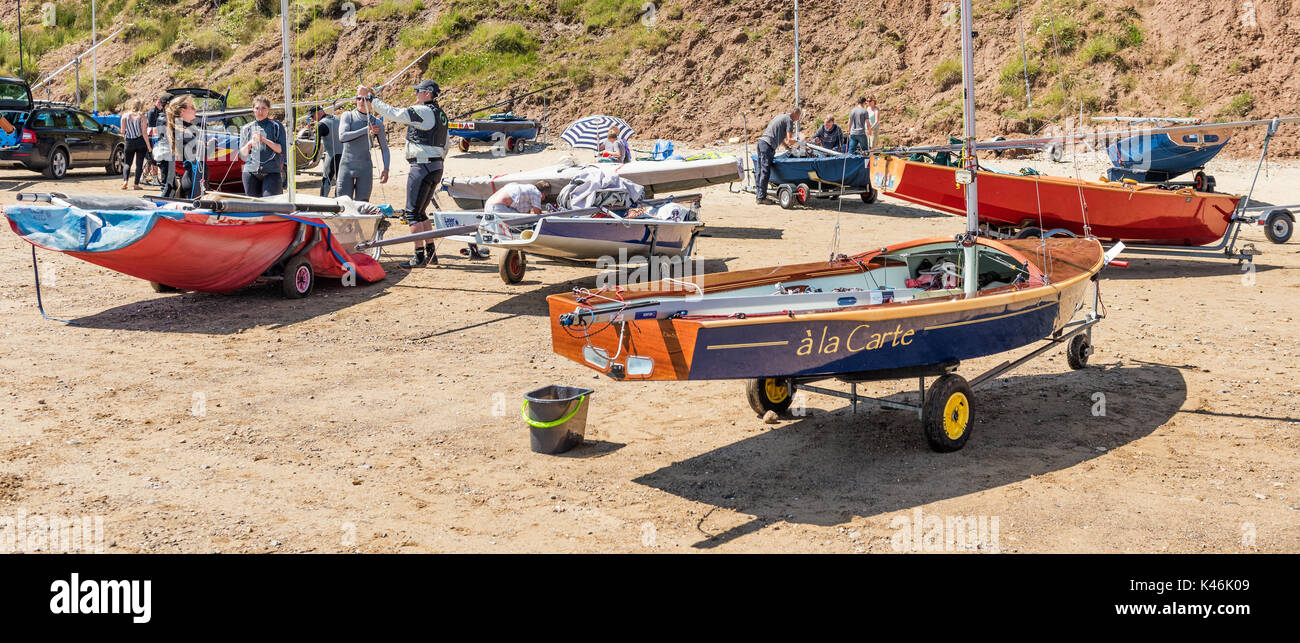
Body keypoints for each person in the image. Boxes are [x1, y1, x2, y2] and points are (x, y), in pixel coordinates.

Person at [357, 79, 450, 268]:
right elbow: (446, 144)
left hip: (422, 167)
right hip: (436, 166)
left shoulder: (423, 111)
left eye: (418, 91)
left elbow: (395, 114)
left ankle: (419, 257)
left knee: (412, 214)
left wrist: (372, 99)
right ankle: (430, 253)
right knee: (421, 212)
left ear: (427, 93)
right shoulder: (441, 115)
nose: (416, 94)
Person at [335, 94, 390, 202]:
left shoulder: (377, 123)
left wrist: (386, 169)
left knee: (362, 204)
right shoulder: (348, 116)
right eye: (358, 98)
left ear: (372, 102)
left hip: (365, 168)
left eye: (365, 99)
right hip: (346, 167)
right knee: (343, 203)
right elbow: (342, 136)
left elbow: (385, 148)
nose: (361, 101)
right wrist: (365, 130)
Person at [238, 96, 288, 197]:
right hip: (250, 172)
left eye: (263, 108)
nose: (260, 111)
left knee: (270, 204)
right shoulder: (246, 128)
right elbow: (242, 154)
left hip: (271, 172)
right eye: (257, 108)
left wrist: (263, 140)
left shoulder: (276, 126)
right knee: (252, 206)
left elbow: (281, 149)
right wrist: (250, 143)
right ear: (253, 109)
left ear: (268, 109)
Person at [161, 95, 209, 199]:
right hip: (194, 181)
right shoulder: (183, 132)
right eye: (192, 107)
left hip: (195, 179)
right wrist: (209, 146)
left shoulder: (185, 129)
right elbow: (204, 152)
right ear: (182, 111)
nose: (195, 109)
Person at [754, 107, 800, 205]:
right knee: (765, 171)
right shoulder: (789, 120)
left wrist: (786, 147)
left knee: (760, 170)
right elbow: (789, 139)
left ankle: (759, 195)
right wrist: (800, 143)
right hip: (768, 146)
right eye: (798, 117)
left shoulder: (781, 117)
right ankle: (761, 198)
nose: (798, 119)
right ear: (794, 113)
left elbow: (780, 137)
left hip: (761, 142)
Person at [119, 99, 151, 190]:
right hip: (140, 141)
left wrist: (127, 136)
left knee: (127, 163)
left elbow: (122, 131)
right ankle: (136, 184)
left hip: (129, 141)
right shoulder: (142, 117)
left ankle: (125, 181)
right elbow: (144, 133)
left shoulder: (124, 116)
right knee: (139, 164)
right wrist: (149, 146)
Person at [310, 106, 341, 197]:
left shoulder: (320, 124)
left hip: (332, 155)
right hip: (344, 156)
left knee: (326, 180)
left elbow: (317, 144)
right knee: (340, 180)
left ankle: (322, 203)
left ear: (317, 113)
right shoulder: (337, 118)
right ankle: (339, 201)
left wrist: (314, 159)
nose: (312, 119)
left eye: (312, 116)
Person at [143, 94, 170, 185]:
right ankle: (153, 178)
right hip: (152, 138)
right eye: (158, 102)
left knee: (153, 160)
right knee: (153, 159)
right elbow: (151, 127)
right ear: (154, 102)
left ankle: (145, 177)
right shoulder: (151, 112)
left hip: (159, 137)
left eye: (160, 102)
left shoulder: (162, 111)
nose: (160, 103)